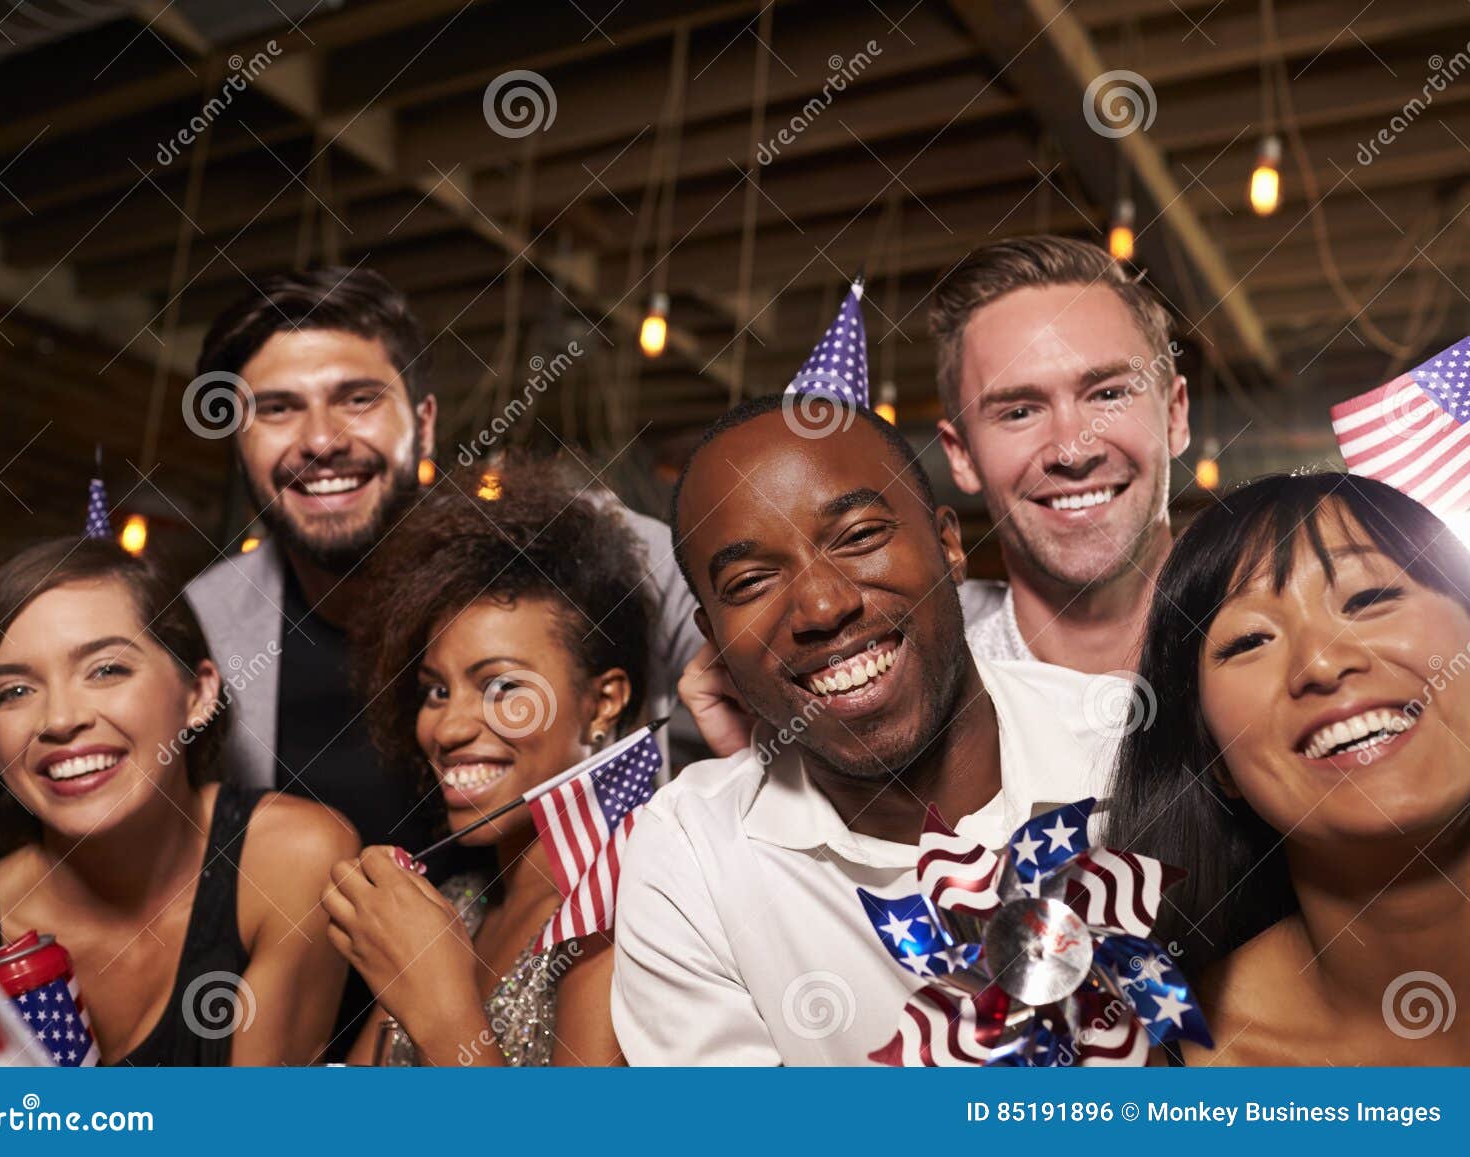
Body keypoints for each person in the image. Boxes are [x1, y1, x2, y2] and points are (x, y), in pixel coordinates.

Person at [182, 267, 700, 1052]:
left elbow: (743, 594)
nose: (321, 439)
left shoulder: (545, 562)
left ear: (422, 425)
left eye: (357, 398)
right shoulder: (206, 631)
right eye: (278, 408)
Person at [610, 394, 1128, 1065]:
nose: (823, 605)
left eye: (859, 537)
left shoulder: (1129, 747)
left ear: (948, 545)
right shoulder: (689, 857)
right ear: (712, 638)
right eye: (749, 580)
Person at [0, 538, 356, 1066]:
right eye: (14, 692)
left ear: (198, 695)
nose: (60, 720)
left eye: (107, 669)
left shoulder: (292, 860)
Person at [1106, 472, 1470, 1065]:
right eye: (1250, 639)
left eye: (1368, 598)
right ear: (1214, 761)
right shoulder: (1164, 1069)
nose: (1322, 662)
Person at [322, 457, 650, 1066]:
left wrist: (442, 1011)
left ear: (602, 702)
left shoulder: (616, 916)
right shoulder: (457, 903)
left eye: (501, 687)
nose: (446, 727)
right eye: (435, 690)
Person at [931, 235, 1191, 675]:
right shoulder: (925, 700)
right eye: (1019, 412)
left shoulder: (1301, 657)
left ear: (1174, 416)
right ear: (962, 456)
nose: (1073, 449)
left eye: (1108, 394)